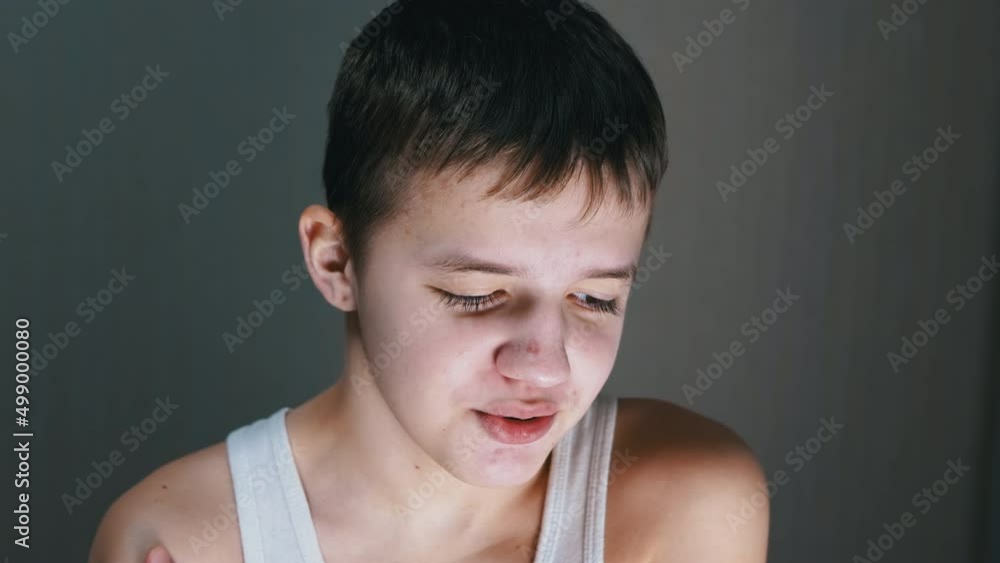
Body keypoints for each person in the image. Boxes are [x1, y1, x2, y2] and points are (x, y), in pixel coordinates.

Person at [89, 1, 769, 561]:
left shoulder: (686, 502)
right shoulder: (179, 540)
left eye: (596, 299)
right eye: (476, 294)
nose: (546, 366)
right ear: (336, 261)